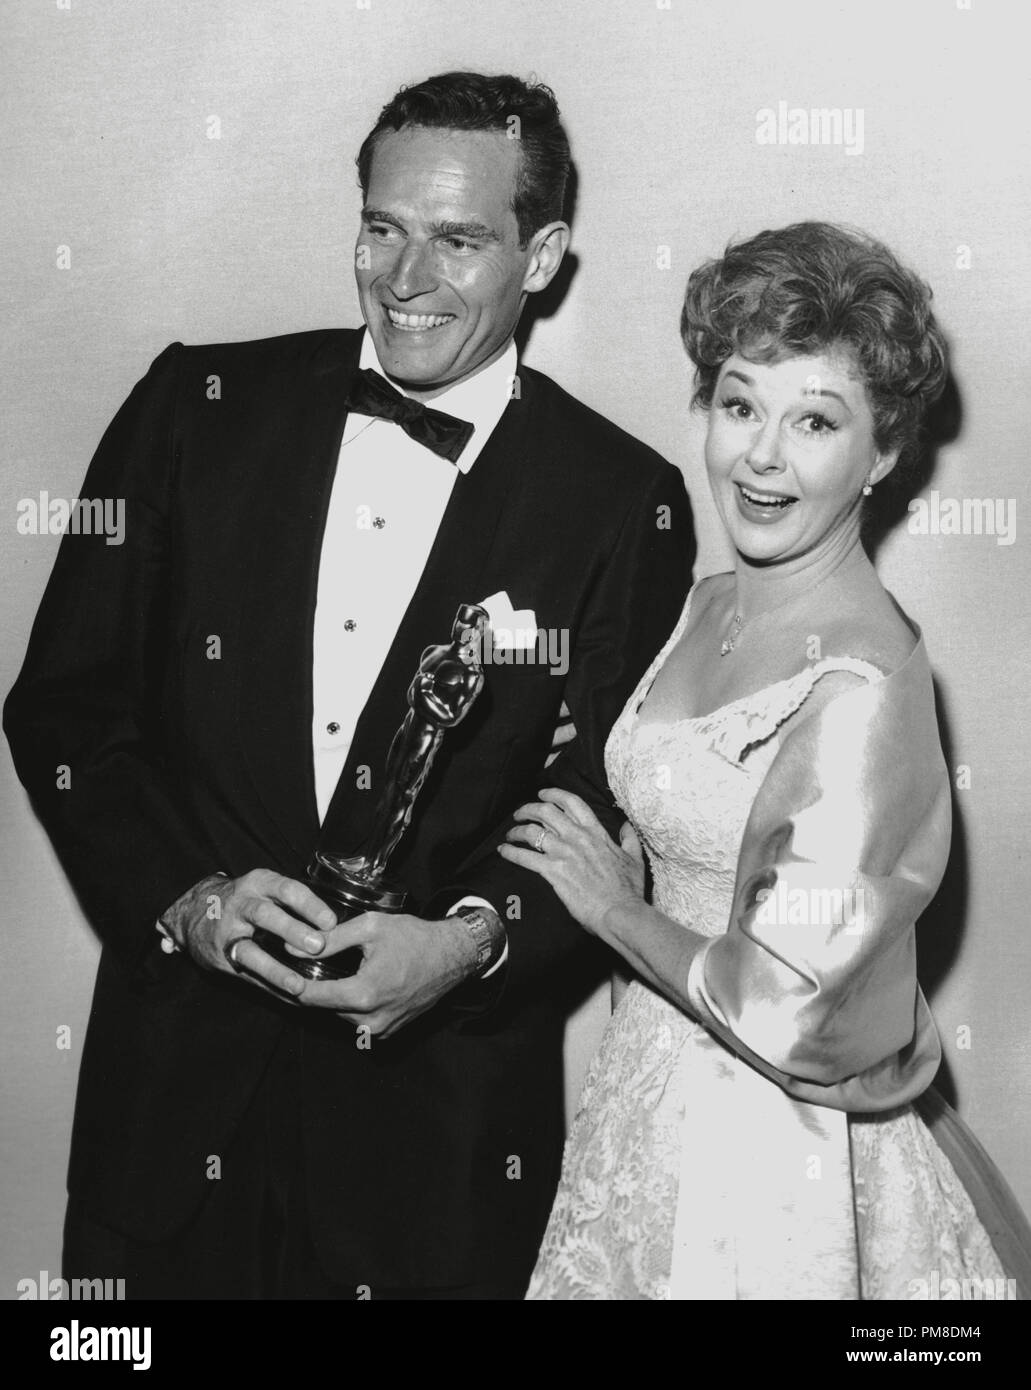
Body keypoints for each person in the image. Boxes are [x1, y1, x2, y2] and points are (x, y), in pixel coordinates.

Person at [3, 71, 693, 1299]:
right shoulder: (190, 407)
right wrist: (190, 900)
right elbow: (67, 709)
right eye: (382, 226)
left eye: (458, 239)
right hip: (166, 1125)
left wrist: (467, 946)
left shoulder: (617, 502)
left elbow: (605, 799)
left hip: (433, 1160)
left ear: (541, 257)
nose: (402, 277)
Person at [505, 222, 1031, 1300]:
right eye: (740, 403)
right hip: (647, 1095)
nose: (759, 456)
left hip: (776, 1155)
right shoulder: (702, 603)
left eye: (813, 422)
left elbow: (785, 991)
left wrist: (613, 911)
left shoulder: (862, 687)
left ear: (883, 451)